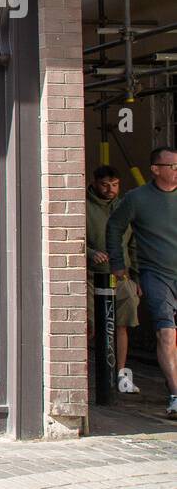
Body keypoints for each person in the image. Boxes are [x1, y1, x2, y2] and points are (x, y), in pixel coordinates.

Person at [107, 147, 177, 418]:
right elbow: (114, 227)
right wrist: (117, 263)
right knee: (166, 333)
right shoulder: (137, 199)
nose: (175, 171)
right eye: (172, 166)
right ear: (156, 169)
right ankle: (174, 395)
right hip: (156, 274)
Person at [86, 166, 141, 393]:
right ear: (95, 183)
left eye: (115, 185)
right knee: (88, 325)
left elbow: (134, 243)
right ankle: (86, 376)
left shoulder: (124, 206)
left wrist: (137, 277)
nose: (110, 190)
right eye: (105, 185)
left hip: (121, 275)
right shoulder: (83, 206)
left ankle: (120, 374)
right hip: (90, 275)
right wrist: (90, 253)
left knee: (122, 324)